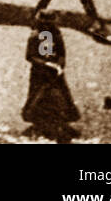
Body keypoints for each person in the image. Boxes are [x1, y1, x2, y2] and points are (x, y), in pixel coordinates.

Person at [21, 10, 79, 142]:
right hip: (40, 73)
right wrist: (46, 64)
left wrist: (59, 65)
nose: (47, 27)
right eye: (44, 24)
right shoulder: (35, 36)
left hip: (55, 73)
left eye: (50, 24)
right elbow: (30, 56)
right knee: (37, 94)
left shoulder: (57, 36)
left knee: (60, 95)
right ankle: (37, 119)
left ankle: (59, 118)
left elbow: (62, 53)